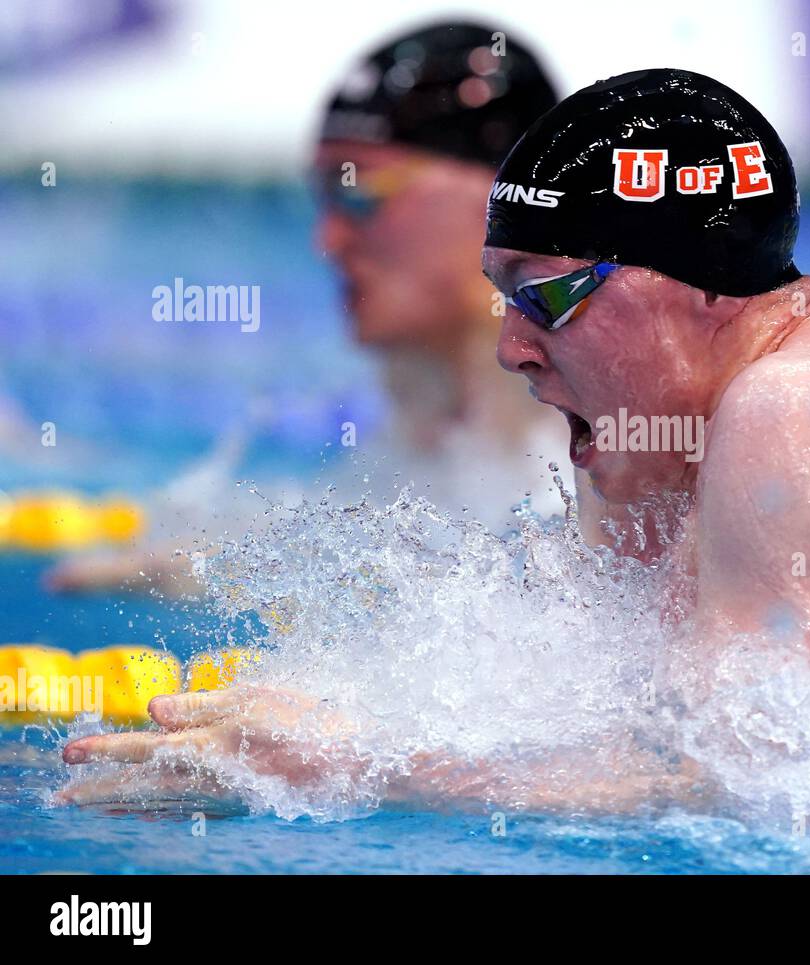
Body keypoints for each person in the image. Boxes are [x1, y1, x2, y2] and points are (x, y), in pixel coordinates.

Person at [58, 69, 810, 810]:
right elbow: (634, 732)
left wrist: (366, 763)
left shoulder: (800, 411)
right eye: (500, 300)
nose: (510, 350)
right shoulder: (653, 448)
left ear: (697, 282)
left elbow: (770, 781)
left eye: (548, 297)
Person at [46, 21, 568, 596]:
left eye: (359, 193)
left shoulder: (593, 466)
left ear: (499, 193)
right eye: (323, 195)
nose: (328, 239)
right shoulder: (410, 445)